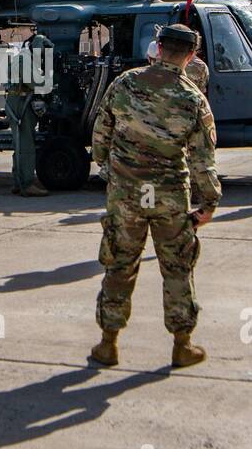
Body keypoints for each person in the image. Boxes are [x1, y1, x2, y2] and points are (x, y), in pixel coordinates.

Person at [89, 24, 221, 369]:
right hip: (169, 197)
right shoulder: (193, 98)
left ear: (158, 47)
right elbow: (202, 162)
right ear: (191, 55)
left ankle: (108, 343)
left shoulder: (126, 83)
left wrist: (109, 168)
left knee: (119, 264)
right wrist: (208, 203)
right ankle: (182, 345)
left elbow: (100, 135)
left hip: (127, 194)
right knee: (177, 268)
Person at [5, 34, 50, 197]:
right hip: (20, 104)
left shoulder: (23, 58)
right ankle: (27, 184)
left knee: (20, 144)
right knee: (26, 145)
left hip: (18, 101)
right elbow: (35, 83)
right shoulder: (25, 61)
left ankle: (19, 182)